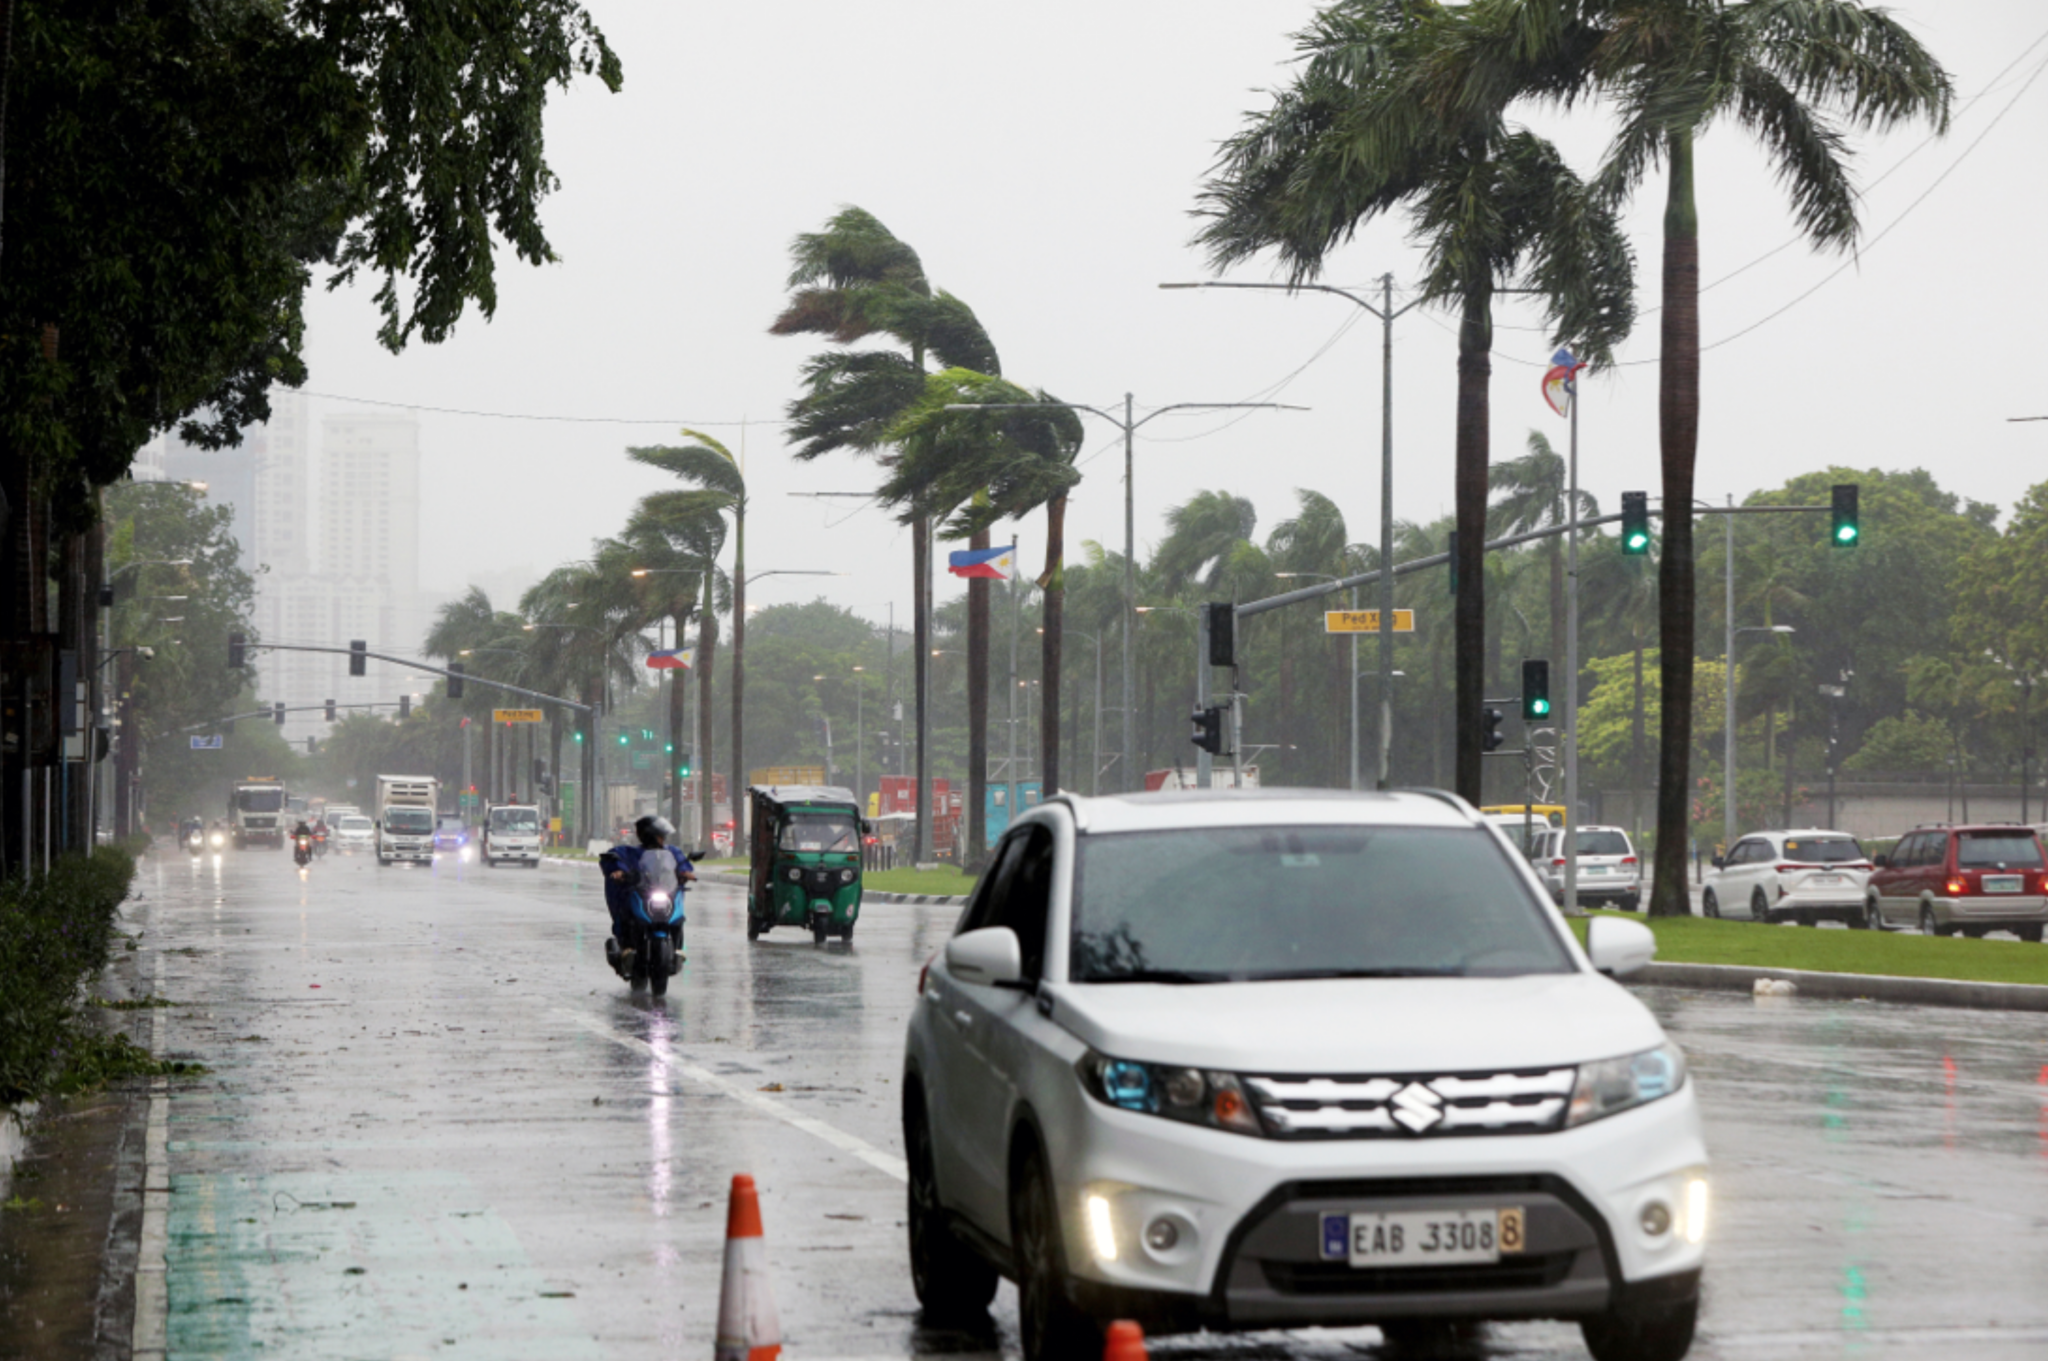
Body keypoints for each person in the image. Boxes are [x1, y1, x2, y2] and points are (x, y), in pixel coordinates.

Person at [599, 815, 696, 975]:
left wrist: (685, 872)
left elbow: (681, 862)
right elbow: (613, 859)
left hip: (665, 893)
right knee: (627, 915)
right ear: (650, 836)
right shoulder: (629, 852)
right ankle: (626, 947)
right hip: (641, 895)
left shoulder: (671, 851)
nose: (663, 839)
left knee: (678, 917)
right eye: (660, 836)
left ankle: (677, 949)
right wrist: (618, 871)